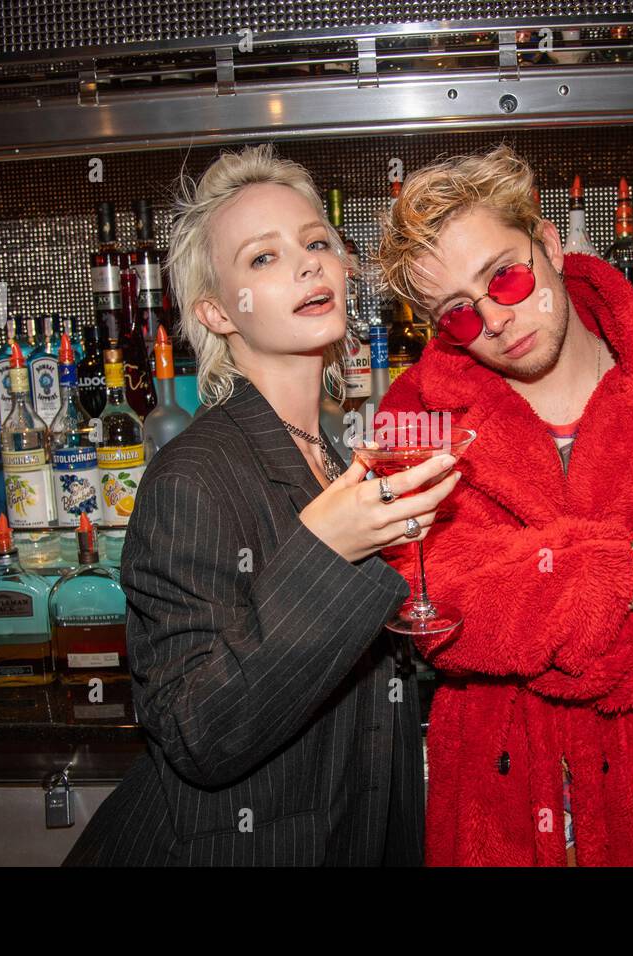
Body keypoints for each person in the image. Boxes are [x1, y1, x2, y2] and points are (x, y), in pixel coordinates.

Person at [373, 145, 633, 866]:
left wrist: (530, 623)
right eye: (459, 316)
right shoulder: (415, 415)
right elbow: (447, 616)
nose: (497, 321)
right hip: (500, 809)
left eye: (504, 277)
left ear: (548, 242)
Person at [63, 144, 458, 866]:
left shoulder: (332, 456)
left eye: (317, 243)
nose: (308, 263)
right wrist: (325, 554)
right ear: (217, 311)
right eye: (263, 259)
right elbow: (195, 736)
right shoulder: (194, 476)